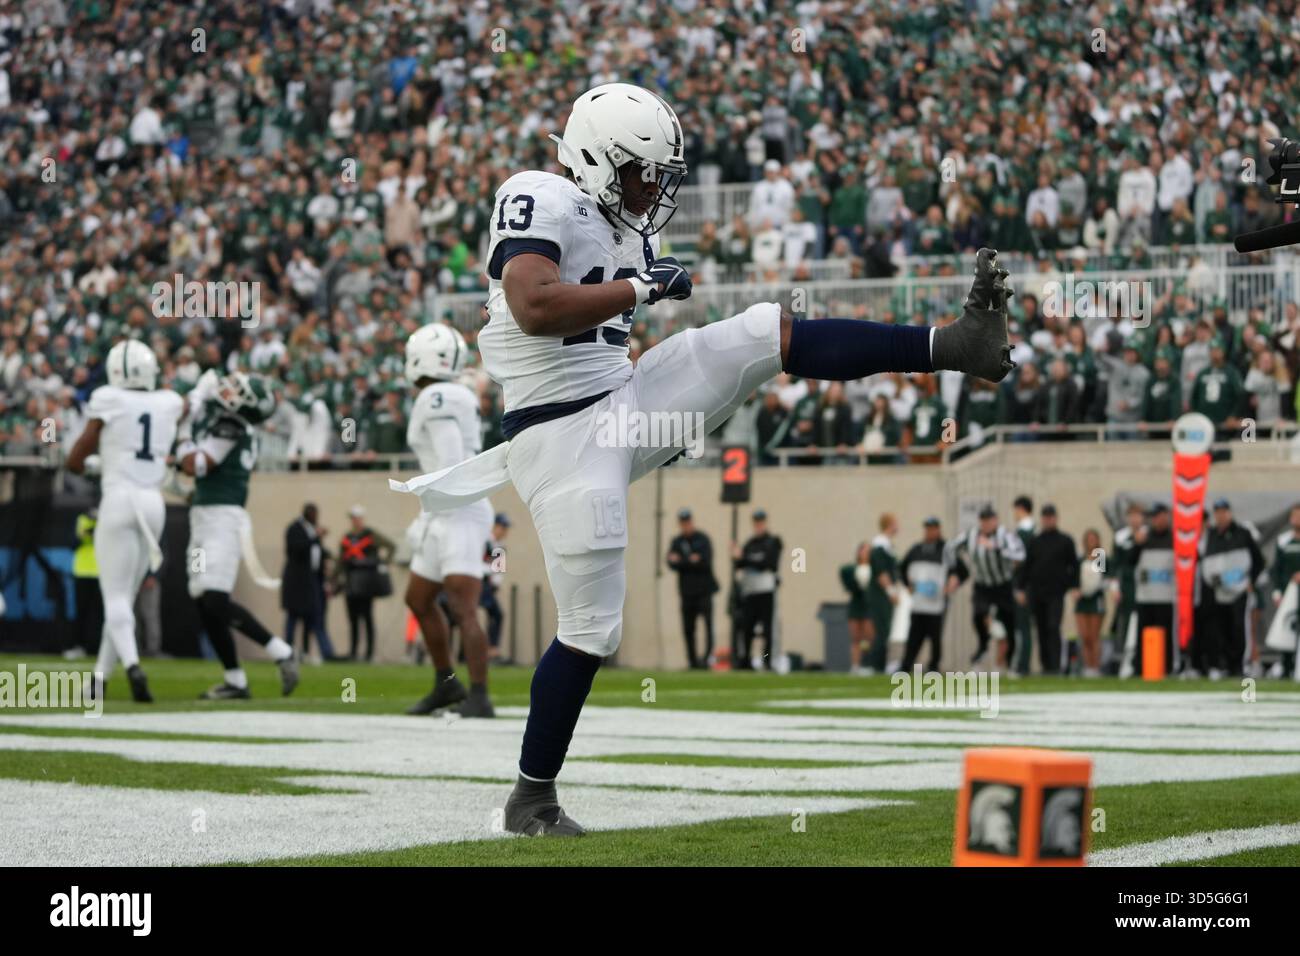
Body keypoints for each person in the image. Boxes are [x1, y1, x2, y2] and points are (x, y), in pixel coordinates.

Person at [390, 83, 1015, 835]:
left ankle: (954, 345)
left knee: (762, 331)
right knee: (593, 630)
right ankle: (531, 799)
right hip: (557, 439)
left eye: (659, 174)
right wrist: (636, 286)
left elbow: (617, 303)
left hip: (621, 401)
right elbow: (534, 305)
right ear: (593, 160)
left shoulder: (623, 224)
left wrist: (638, 283)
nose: (652, 189)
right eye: (639, 173)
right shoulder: (538, 196)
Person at [65, 340, 186, 701]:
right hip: (154, 502)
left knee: (115, 598)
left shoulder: (109, 398)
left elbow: (74, 458)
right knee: (125, 600)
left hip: (120, 499)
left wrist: (95, 465)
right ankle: (99, 681)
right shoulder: (169, 401)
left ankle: (133, 667)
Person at [178, 371, 299, 700]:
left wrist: (183, 433)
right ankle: (235, 680)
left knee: (215, 598)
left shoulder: (231, 425)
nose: (228, 389)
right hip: (204, 516)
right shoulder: (225, 421)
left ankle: (281, 651)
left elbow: (196, 464)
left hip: (222, 521)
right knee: (203, 599)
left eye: (237, 389)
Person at [401, 323, 496, 718]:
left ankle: (479, 695)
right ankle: (447, 684)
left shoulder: (437, 395)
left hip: (457, 506)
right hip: (446, 507)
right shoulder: (454, 392)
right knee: (418, 598)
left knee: (462, 604)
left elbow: (451, 460)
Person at [946, 505, 1025, 669]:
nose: (986, 524)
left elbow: (1020, 554)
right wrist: (956, 572)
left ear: (995, 520)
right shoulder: (971, 535)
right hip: (982, 585)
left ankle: (1010, 664)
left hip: (1003, 584)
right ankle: (982, 647)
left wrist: (996, 548)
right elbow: (949, 548)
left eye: (989, 520)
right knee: (978, 615)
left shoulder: (1005, 535)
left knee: (1010, 624)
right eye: (983, 520)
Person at [1197, 498, 1265, 679]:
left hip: (1240, 590)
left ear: (1230, 512)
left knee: (1239, 627)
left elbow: (1258, 560)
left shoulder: (1243, 533)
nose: (1220, 516)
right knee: (1221, 628)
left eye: (1223, 511)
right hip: (1218, 591)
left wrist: (1251, 580)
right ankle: (1226, 664)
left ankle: (1242, 665)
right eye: (1217, 512)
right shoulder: (1210, 535)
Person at [1016, 504, 1079, 675]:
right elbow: (1026, 567)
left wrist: (1074, 586)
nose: (1048, 520)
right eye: (1045, 517)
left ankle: (1055, 665)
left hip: (1056, 593)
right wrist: (1020, 588)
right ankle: (1045, 665)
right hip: (1036, 593)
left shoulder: (1065, 541)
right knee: (1041, 628)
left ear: (1056, 519)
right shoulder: (1035, 541)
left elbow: (1074, 565)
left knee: (1053, 627)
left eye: (1051, 517)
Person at [332, 504, 395, 662]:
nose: (355, 521)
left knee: (367, 617)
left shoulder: (370, 535)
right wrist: (333, 578)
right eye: (353, 518)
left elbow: (391, 546)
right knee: (353, 619)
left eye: (358, 517)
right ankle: (353, 652)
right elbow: (341, 561)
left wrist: (382, 563)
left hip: (367, 582)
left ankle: (368, 653)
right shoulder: (346, 538)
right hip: (351, 582)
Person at [282, 503, 336, 663]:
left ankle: (320, 652)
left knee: (313, 617)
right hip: (296, 581)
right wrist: (315, 537)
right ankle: (287, 651)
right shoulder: (295, 529)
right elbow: (295, 549)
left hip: (313, 581)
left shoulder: (312, 530)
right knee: (293, 617)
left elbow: (316, 552)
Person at [665, 508, 718, 669]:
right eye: (682, 522)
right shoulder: (677, 541)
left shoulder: (702, 539)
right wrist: (690, 560)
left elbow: (705, 561)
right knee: (688, 628)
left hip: (704, 591)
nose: (685, 525)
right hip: (686, 592)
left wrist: (682, 560)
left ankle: (707, 658)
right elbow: (670, 562)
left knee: (708, 626)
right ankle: (693, 661)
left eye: (687, 522)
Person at [732, 510, 783, 670]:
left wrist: (745, 559)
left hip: (766, 591)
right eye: (756, 523)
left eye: (760, 522)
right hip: (750, 591)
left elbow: (768, 563)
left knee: (767, 629)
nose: (758, 526)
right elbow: (738, 564)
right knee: (747, 627)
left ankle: (767, 660)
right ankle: (746, 660)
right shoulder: (750, 544)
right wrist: (737, 556)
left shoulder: (772, 542)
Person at [899, 517, 951, 673]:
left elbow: (960, 571)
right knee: (914, 636)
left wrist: (950, 585)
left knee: (935, 637)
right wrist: (907, 585)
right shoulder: (916, 549)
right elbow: (902, 567)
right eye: (927, 528)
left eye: (933, 528)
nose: (930, 531)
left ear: (938, 530)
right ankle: (906, 666)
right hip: (918, 602)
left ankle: (933, 667)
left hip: (936, 603)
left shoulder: (946, 550)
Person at [1131, 502, 1176, 678]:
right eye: (1154, 517)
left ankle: (1167, 667)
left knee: (1166, 634)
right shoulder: (1144, 538)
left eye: (1160, 516)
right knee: (1143, 634)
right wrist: (1137, 544)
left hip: (1167, 596)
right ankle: (1141, 667)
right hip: (1145, 596)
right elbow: (1129, 562)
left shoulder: (1174, 538)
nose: (1157, 520)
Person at [1108, 502, 1146, 676]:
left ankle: (1141, 661)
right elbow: (1115, 565)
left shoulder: (1147, 534)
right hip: (1127, 586)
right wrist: (1114, 587)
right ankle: (1121, 661)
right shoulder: (1120, 537)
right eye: (1131, 515)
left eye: (1137, 515)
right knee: (1123, 623)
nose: (1134, 519)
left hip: (1145, 586)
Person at [863, 512, 900, 673]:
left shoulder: (887, 546)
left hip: (884, 594)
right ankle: (875, 665)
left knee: (885, 629)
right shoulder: (880, 547)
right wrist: (891, 591)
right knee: (882, 629)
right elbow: (881, 573)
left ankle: (881, 664)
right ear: (889, 524)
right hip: (880, 594)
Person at [1268, 503, 1300, 678]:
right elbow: (1277, 569)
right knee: (1287, 627)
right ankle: (1286, 666)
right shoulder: (1284, 540)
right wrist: (1277, 592)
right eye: (1295, 516)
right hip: (1290, 594)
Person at [1074, 528, 1107, 677]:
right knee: (1085, 636)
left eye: (1094, 539)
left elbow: (1101, 579)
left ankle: (1095, 666)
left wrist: (1089, 590)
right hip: (1082, 602)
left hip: (1096, 601)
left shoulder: (1100, 558)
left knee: (1094, 636)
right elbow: (1074, 579)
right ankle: (1087, 667)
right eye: (1089, 539)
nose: (1092, 542)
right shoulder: (1080, 559)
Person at [839, 542, 874, 675]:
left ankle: (867, 663)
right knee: (855, 638)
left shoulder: (874, 569)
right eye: (863, 550)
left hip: (869, 606)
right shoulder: (852, 569)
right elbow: (845, 575)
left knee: (868, 638)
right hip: (856, 604)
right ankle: (855, 665)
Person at [1011, 494, 1036, 676]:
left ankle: (1022, 665)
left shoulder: (1024, 532)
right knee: (1023, 627)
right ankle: (1021, 664)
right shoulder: (1032, 530)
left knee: (1023, 627)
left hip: (1024, 586)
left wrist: (1019, 587)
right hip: (1028, 585)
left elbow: (1022, 563)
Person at [480, 513, 511, 660]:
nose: (504, 531)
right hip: (478, 583)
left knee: (497, 615)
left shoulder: (501, 547)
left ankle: (492, 649)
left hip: (488, 587)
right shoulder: (484, 542)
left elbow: (499, 571)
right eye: (502, 527)